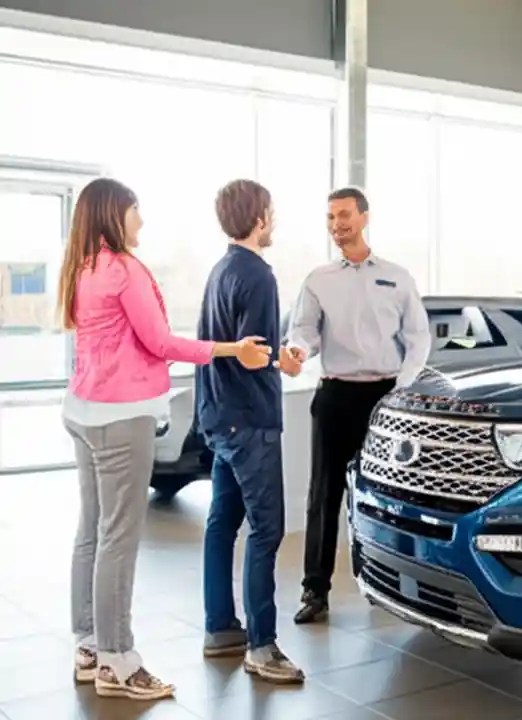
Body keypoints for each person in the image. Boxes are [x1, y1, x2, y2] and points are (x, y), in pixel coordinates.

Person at [58, 177, 270, 701]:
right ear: (114, 214)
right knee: (119, 536)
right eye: (135, 210)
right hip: (120, 416)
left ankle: (88, 646)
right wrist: (231, 349)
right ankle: (119, 660)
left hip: (83, 410)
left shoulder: (82, 267)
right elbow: (160, 342)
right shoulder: (124, 269)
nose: (141, 220)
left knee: (92, 530)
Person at [285, 187, 431, 624]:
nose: (337, 224)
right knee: (324, 496)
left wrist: (401, 389)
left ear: (364, 217)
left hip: (384, 399)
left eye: (344, 215)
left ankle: (388, 582)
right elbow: (304, 332)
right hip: (334, 396)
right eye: (330, 217)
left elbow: (418, 338)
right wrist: (295, 350)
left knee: (388, 494)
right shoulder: (318, 280)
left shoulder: (398, 277)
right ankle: (315, 591)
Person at [196, 179, 306, 683]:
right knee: (267, 529)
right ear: (259, 217)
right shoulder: (259, 275)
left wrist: (274, 355)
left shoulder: (220, 271)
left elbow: (238, 346)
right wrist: (282, 363)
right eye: (272, 211)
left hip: (218, 417)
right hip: (251, 422)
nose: (274, 220)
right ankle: (262, 646)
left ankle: (221, 628)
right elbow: (254, 353)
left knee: (222, 524)